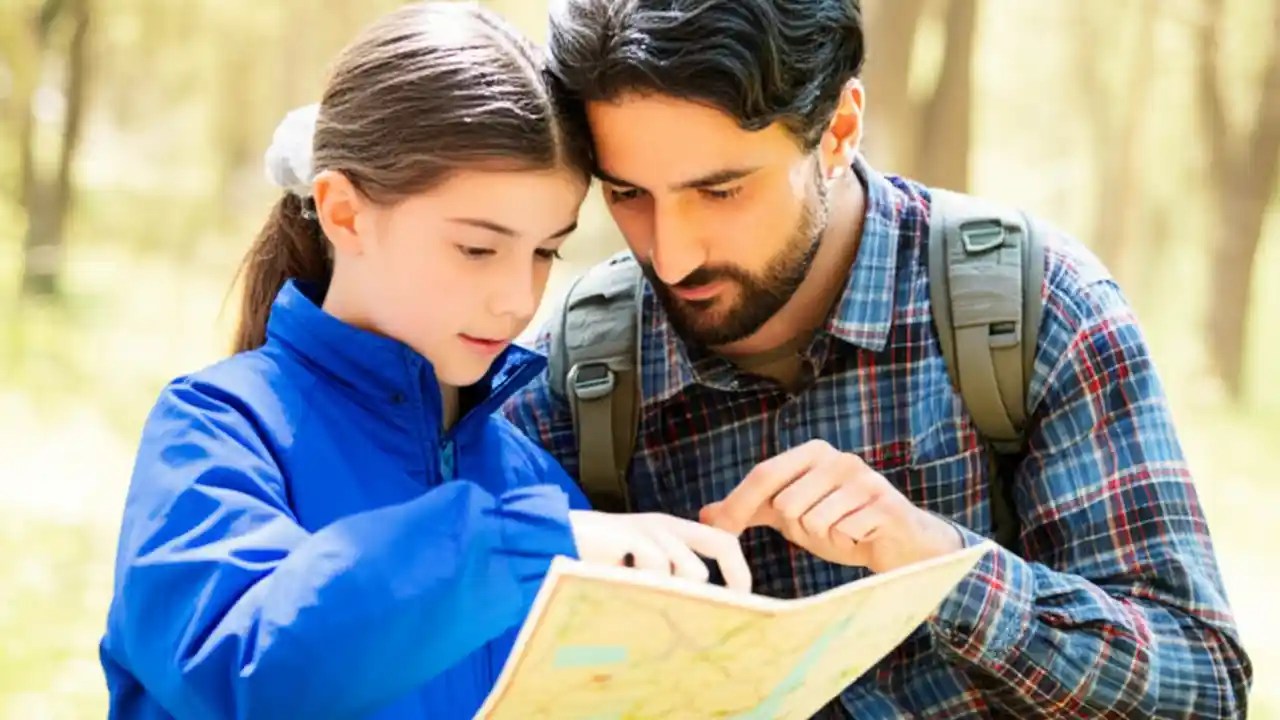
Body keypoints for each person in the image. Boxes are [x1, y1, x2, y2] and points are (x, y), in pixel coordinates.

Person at [501, 0, 1253, 717]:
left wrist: (940, 566)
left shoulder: (1036, 308)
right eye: (628, 194)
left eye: (721, 191)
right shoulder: (565, 380)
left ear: (838, 131)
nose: (669, 256)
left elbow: (1203, 686)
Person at [97, 4, 750, 719]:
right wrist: (512, 546)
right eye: (477, 247)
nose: (516, 299)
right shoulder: (216, 428)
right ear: (345, 214)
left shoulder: (534, 483)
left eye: (543, 251)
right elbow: (243, 669)